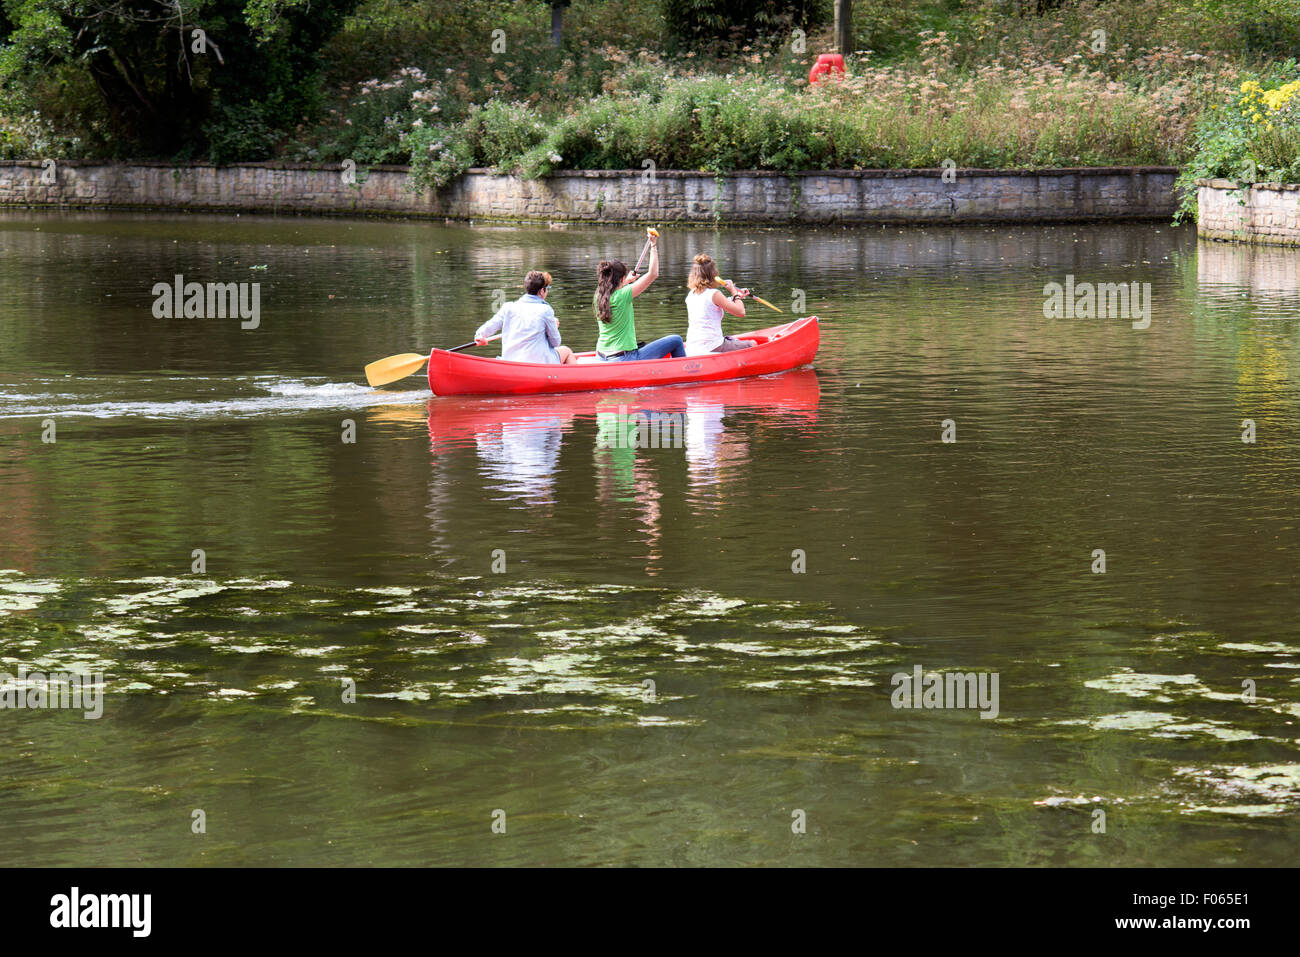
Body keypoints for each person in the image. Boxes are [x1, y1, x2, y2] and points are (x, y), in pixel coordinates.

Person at [593, 232, 685, 361]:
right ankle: (682, 373)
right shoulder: (623, 295)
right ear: (621, 278)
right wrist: (653, 245)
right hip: (624, 358)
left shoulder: (599, 294)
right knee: (676, 340)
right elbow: (653, 274)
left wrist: (626, 281)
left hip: (601, 356)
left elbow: (613, 288)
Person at [475, 270, 576, 364]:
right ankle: (574, 382)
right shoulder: (546, 310)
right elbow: (556, 342)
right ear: (542, 291)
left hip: (510, 362)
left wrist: (479, 336)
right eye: (547, 288)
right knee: (567, 351)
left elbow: (487, 328)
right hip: (538, 364)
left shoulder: (508, 307)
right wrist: (552, 327)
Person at [683, 253, 756, 356]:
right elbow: (741, 312)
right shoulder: (714, 294)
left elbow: (713, 305)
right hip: (713, 346)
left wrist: (737, 296)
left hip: (693, 346)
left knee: (733, 340)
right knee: (752, 344)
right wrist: (733, 290)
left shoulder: (691, 294)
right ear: (713, 275)